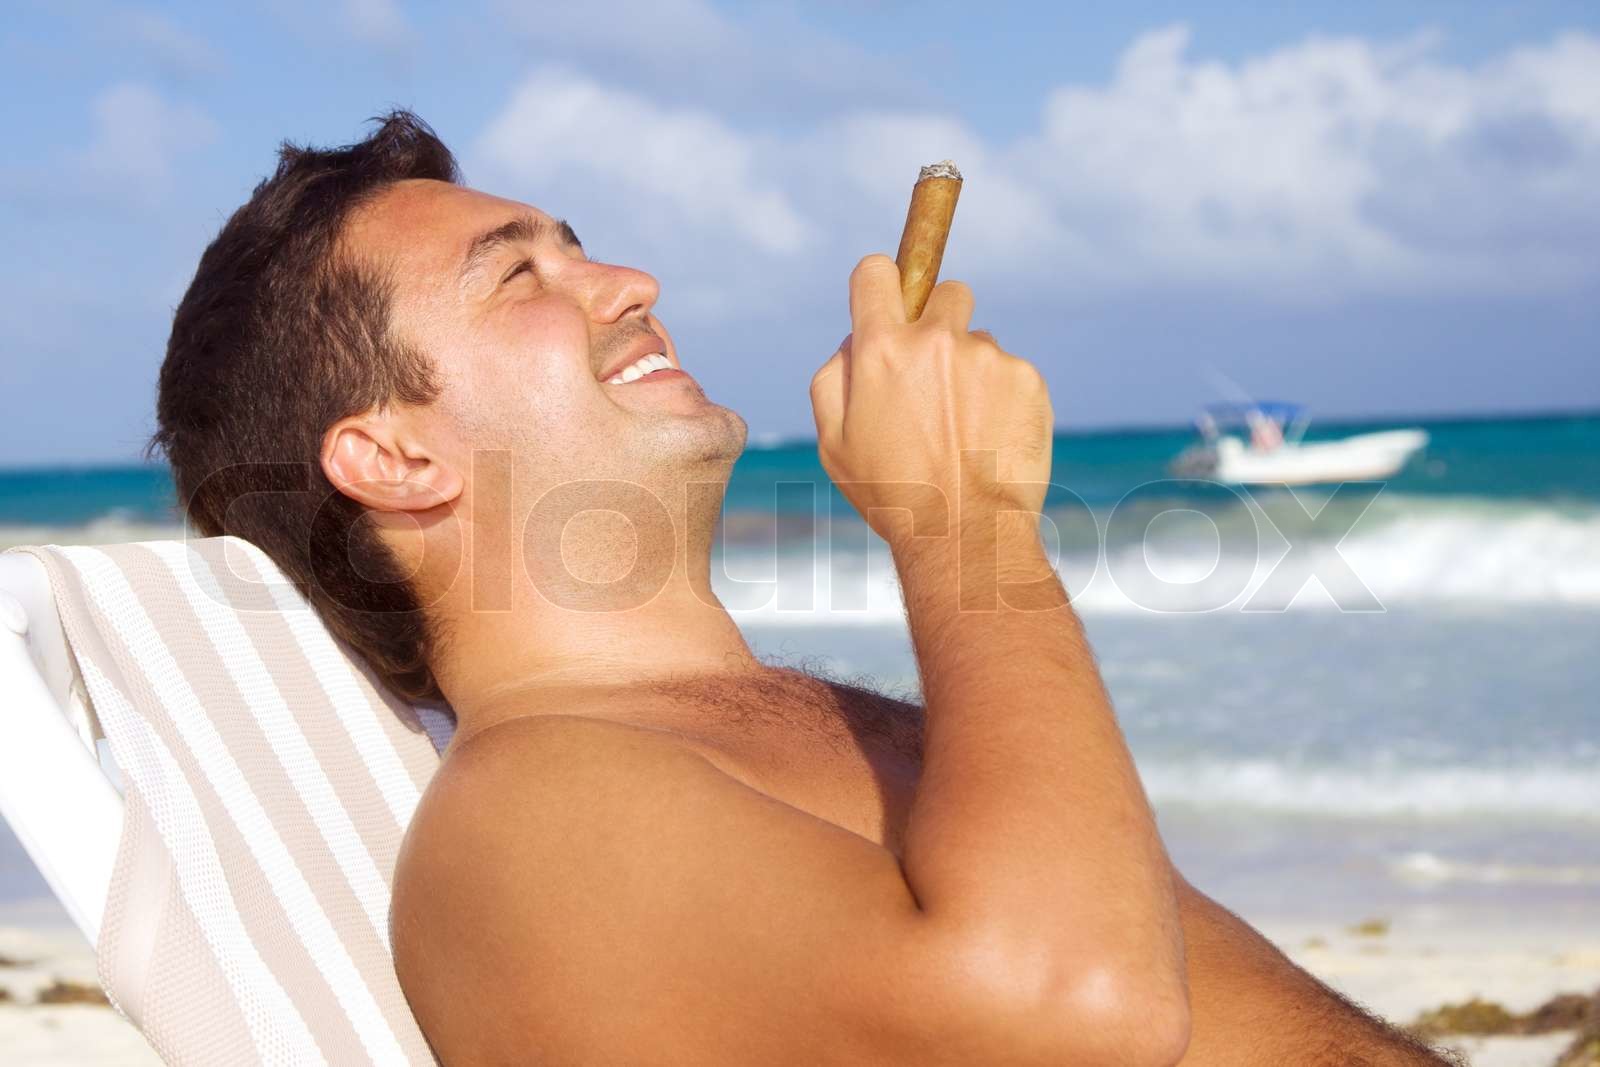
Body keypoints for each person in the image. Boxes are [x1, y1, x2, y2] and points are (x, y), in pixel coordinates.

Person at [153, 111, 1451, 1065]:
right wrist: (959, 515)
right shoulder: (523, 811)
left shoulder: (752, 732)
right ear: (392, 457)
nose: (631, 285)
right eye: (518, 275)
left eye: (579, 248)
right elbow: (1076, 1010)